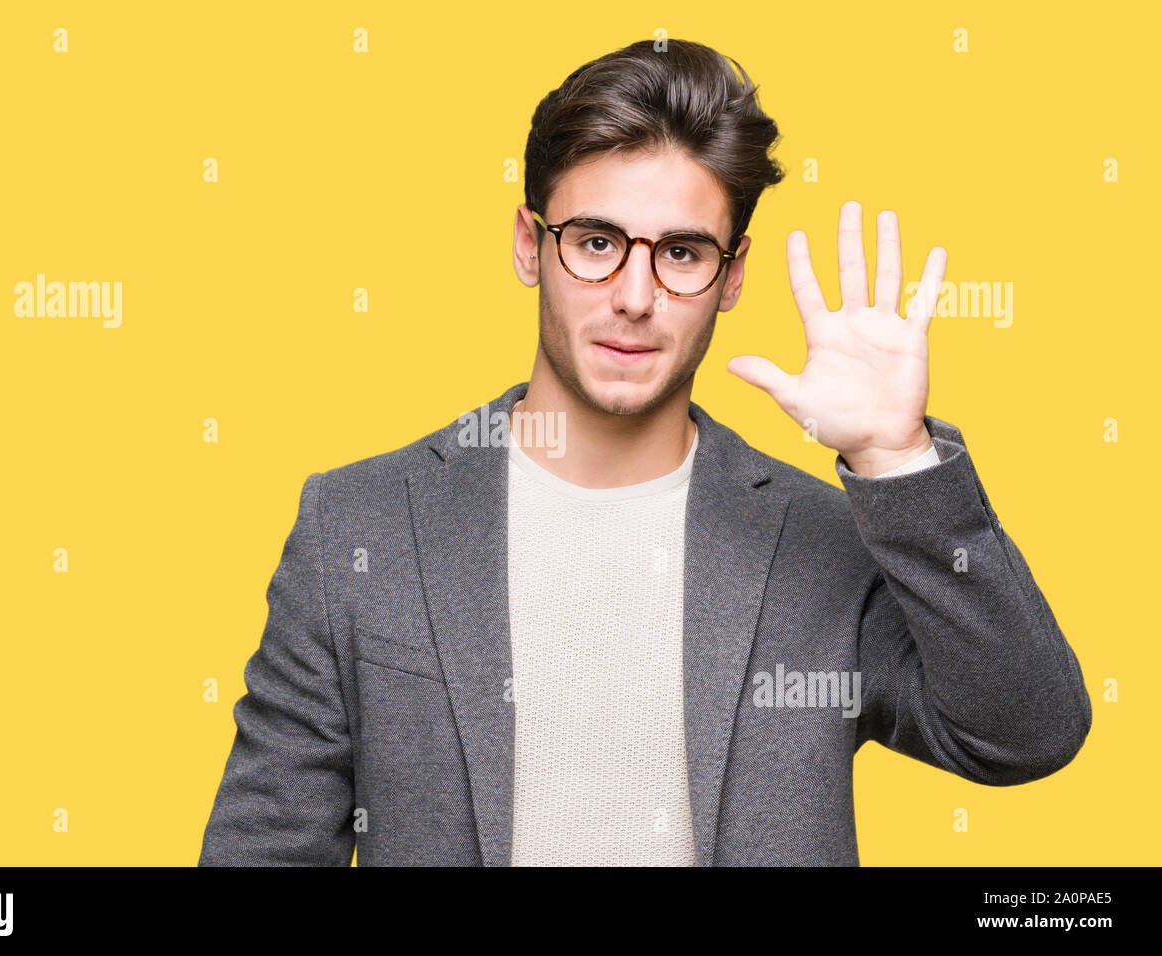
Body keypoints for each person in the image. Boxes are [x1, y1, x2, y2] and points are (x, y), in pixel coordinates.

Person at [197, 38, 1091, 866]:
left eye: (680, 252)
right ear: (527, 245)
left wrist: (897, 458)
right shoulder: (359, 528)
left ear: (732, 275)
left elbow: (1026, 733)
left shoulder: (821, 542)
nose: (634, 295)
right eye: (595, 242)